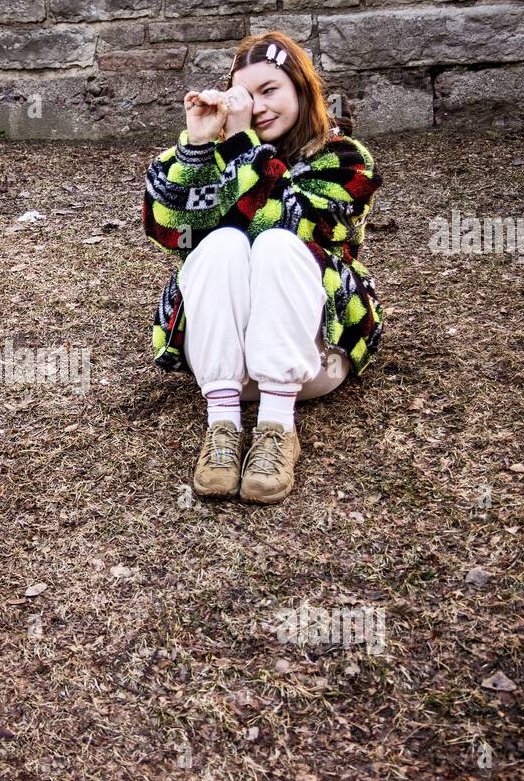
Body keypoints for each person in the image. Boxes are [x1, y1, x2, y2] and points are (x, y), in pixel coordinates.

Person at [143, 31, 384, 504]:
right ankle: (222, 430)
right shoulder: (208, 151)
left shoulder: (346, 160)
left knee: (276, 242)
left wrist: (240, 149)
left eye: (269, 90)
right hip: (219, 369)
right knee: (220, 244)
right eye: (245, 96)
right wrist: (196, 146)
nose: (257, 107)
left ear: (301, 87)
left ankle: (277, 429)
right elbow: (169, 230)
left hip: (309, 364)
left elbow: (298, 223)